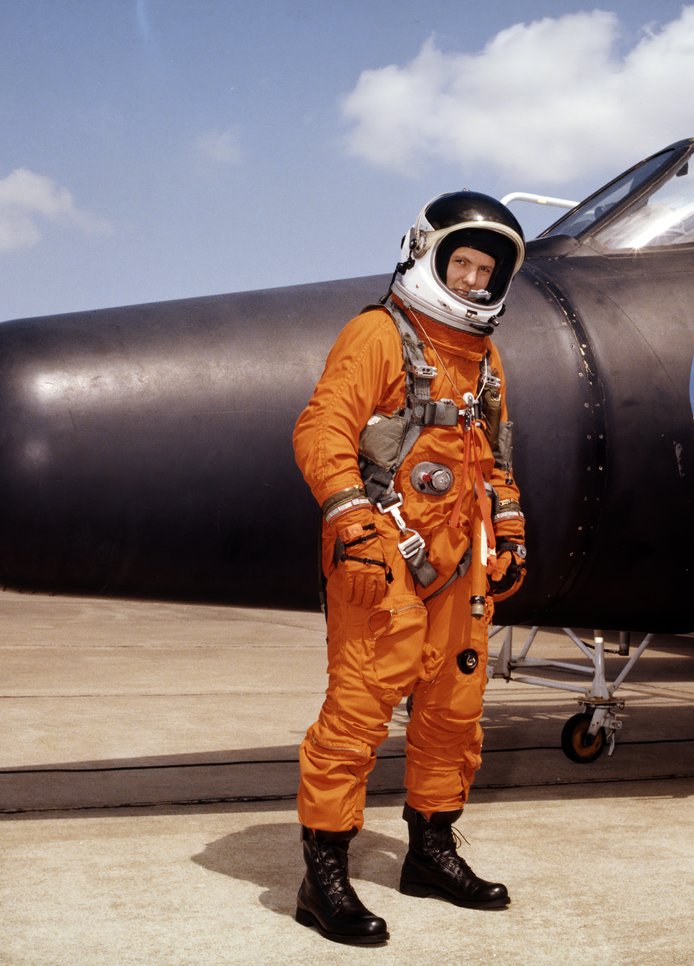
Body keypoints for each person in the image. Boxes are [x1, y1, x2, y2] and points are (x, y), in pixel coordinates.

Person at [290, 191, 528, 945]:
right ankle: (322, 878)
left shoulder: (485, 357)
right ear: (426, 253)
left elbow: (491, 455)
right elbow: (323, 427)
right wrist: (348, 517)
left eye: (484, 271)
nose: (470, 281)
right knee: (359, 711)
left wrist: (512, 527)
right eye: (460, 262)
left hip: (461, 557)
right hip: (380, 550)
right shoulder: (377, 335)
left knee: (455, 710)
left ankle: (430, 852)